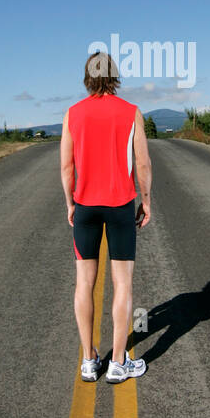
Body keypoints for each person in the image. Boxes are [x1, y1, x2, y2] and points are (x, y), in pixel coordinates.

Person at [60, 51, 152, 383]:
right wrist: (147, 201)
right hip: (120, 205)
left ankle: (88, 360)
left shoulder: (73, 114)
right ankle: (117, 363)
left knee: (84, 283)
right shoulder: (131, 113)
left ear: (87, 77)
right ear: (114, 76)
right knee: (122, 283)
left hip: (85, 206)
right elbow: (142, 164)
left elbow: (67, 167)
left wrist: (71, 203)